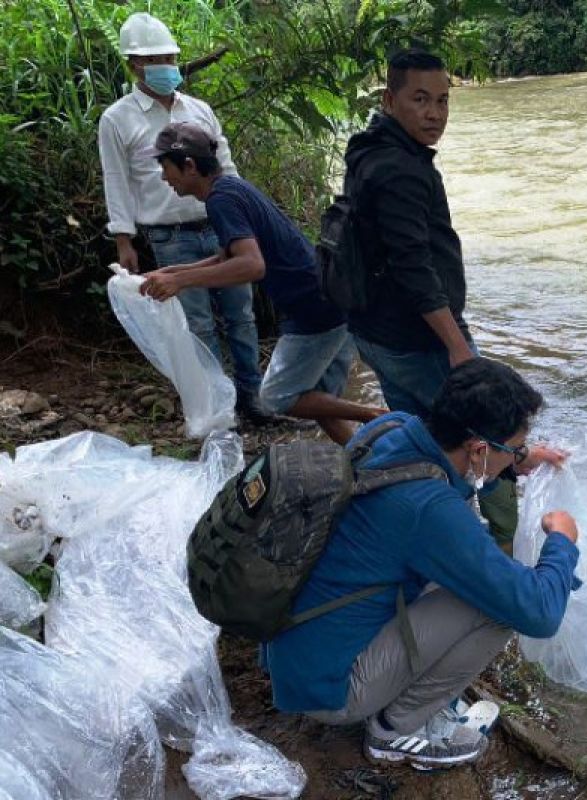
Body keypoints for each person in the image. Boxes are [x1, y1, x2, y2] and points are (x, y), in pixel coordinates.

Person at [262, 358, 579, 769]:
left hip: (294, 647)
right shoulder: (428, 510)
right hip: (329, 689)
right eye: (514, 447)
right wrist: (562, 542)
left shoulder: (391, 428)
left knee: (476, 572)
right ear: (479, 449)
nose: (519, 454)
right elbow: (538, 613)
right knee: (499, 608)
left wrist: (516, 462)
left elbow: (459, 477)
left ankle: (400, 696)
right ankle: (395, 730)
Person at [342, 48, 521, 547]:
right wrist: (458, 348)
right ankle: (505, 548)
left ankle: (437, 529)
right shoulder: (401, 170)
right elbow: (413, 267)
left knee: (425, 435)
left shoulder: (367, 150)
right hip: (417, 336)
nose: (434, 114)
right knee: (491, 432)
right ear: (390, 99)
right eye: (420, 99)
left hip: (376, 330)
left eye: (443, 101)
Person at [139, 122, 385, 445]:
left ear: (188, 166)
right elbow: (226, 257)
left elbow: (252, 265)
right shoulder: (231, 188)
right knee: (318, 398)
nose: (163, 177)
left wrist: (180, 280)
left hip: (314, 308)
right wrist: (171, 274)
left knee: (274, 397)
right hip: (332, 297)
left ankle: (376, 416)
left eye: (165, 167)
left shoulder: (220, 200)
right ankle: (364, 457)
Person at [98, 12, 270, 425]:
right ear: (134, 65)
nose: (167, 65)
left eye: (170, 56)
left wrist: (245, 217)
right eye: (156, 58)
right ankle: (219, 408)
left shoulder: (198, 110)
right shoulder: (117, 119)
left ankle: (254, 399)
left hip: (222, 227)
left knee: (241, 316)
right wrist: (124, 240)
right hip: (168, 235)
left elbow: (226, 166)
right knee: (197, 327)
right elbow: (116, 181)